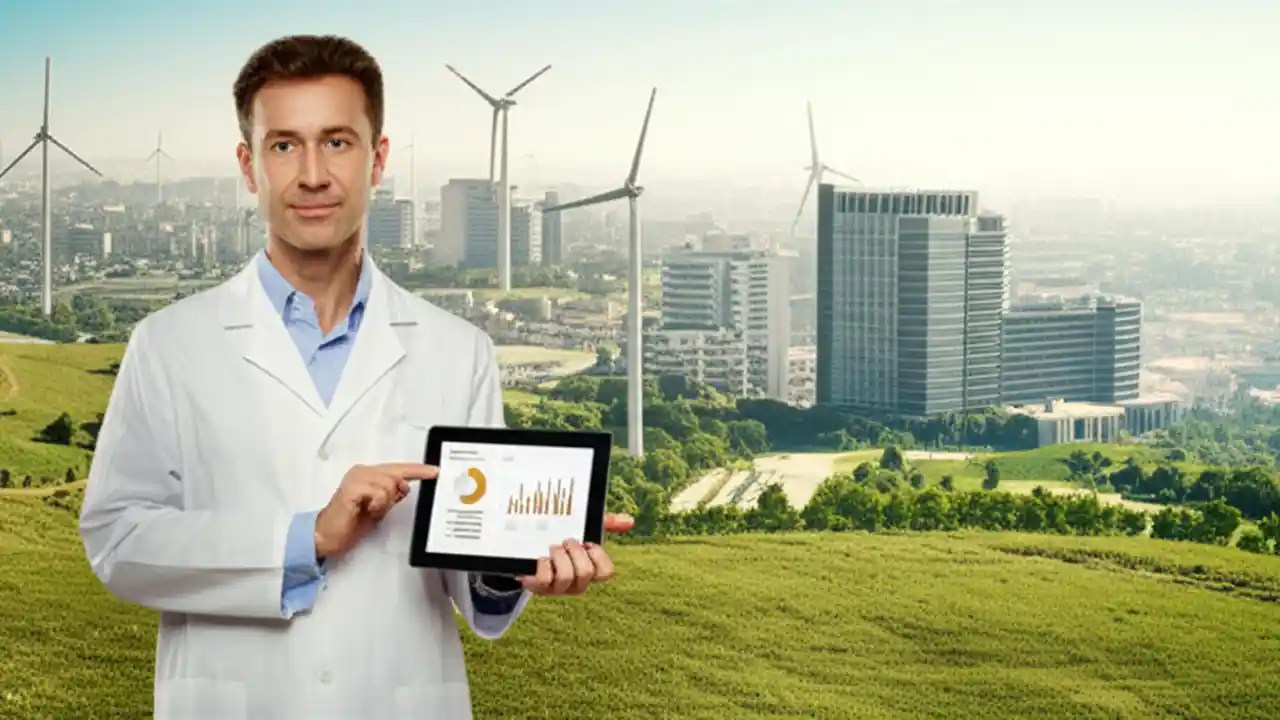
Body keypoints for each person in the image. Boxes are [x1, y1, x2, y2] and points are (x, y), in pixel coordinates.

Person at [79, 33, 633, 719]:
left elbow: (468, 568)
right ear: (249, 167)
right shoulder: (168, 345)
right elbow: (119, 540)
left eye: (338, 142)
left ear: (379, 160)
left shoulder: (458, 350)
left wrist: (512, 562)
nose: (313, 174)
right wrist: (305, 537)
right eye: (285, 145)